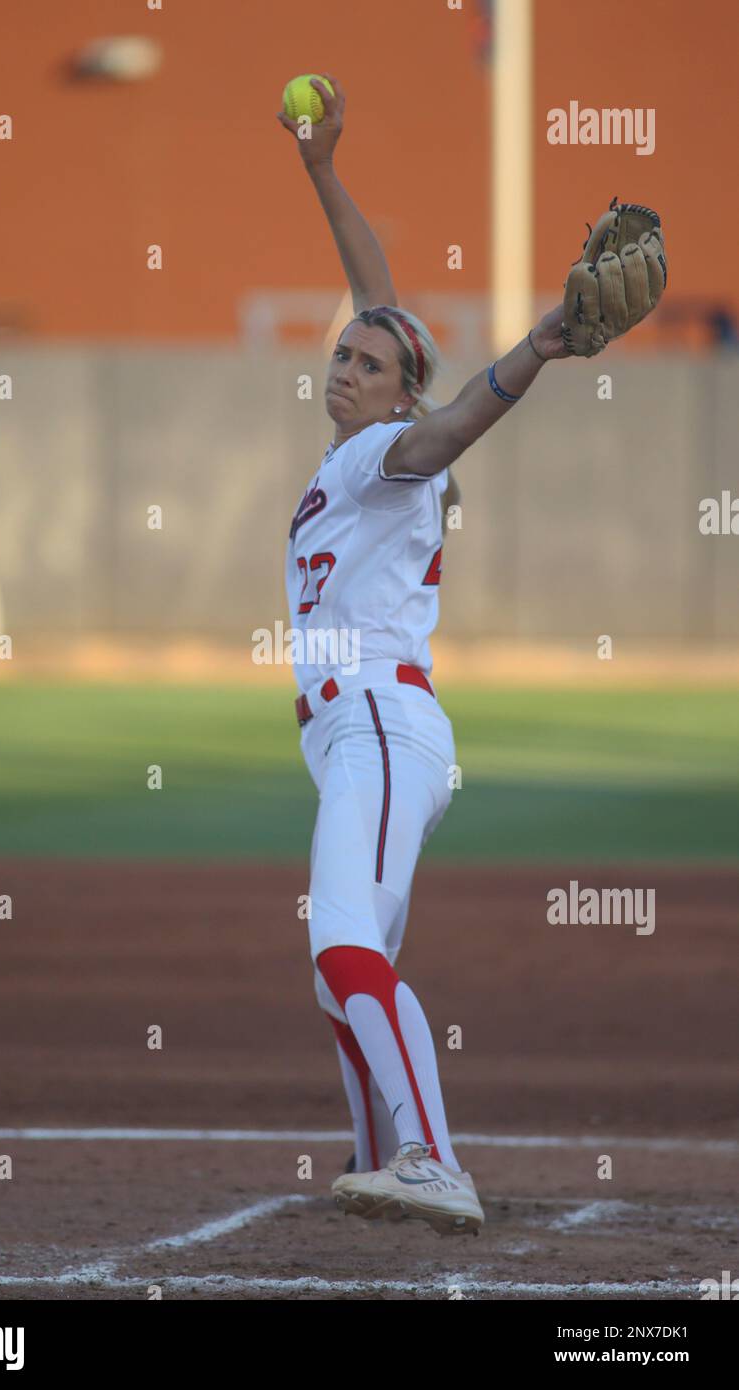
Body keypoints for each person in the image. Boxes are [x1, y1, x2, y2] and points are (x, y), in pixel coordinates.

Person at [277, 75, 571, 1235]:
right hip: (359, 737)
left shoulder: (392, 450)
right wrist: (318, 169)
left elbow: (450, 424)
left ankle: (432, 1160)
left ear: (400, 395)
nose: (343, 366)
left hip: (384, 731)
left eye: (366, 362)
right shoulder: (354, 460)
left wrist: (536, 348)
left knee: (342, 942)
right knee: (339, 965)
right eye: (341, 357)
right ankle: (376, 1157)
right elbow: (376, 290)